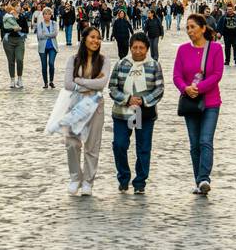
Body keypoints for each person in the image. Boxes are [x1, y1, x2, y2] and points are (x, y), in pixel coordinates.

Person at [173, 13, 224, 195]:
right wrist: (185, 88)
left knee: (205, 140)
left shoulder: (216, 49)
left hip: (210, 102)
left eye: (193, 27)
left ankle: (204, 178)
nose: (189, 31)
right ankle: (198, 181)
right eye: (187, 27)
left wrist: (198, 87)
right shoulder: (182, 50)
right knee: (194, 144)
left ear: (203, 28)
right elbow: (176, 75)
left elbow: (217, 74)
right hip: (190, 103)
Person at [109, 32, 165, 193]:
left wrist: (143, 100)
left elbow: (159, 88)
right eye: (135, 47)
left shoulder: (154, 65)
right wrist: (127, 99)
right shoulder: (121, 64)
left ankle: (140, 181)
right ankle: (123, 177)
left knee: (143, 147)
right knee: (119, 145)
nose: (138, 51)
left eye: (141, 48)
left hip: (143, 113)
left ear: (147, 48)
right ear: (130, 48)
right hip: (123, 112)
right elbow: (112, 87)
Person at [63, 26, 110, 196]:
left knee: (92, 144)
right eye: (92, 37)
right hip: (75, 106)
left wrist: (80, 82)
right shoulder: (73, 60)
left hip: (96, 106)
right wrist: (89, 84)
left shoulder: (104, 60)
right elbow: (68, 84)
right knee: (72, 142)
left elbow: (101, 84)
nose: (96, 41)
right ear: (84, 39)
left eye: (99, 38)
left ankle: (88, 181)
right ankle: (75, 178)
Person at [0, 1, 27, 89]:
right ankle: (12, 79)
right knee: (11, 61)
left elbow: (26, 29)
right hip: (8, 41)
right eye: (17, 6)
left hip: (19, 40)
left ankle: (20, 78)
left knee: (19, 59)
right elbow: (3, 29)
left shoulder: (22, 17)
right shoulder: (6, 17)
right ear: (13, 7)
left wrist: (18, 19)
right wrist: (13, 30)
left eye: (19, 6)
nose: (19, 7)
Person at [35, 6, 59, 89]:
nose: (47, 16)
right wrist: (49, 35)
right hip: (42, 47)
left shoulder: (54, 23)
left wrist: (46, 34)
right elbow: (39, 36)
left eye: (49, 14)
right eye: (45, 14)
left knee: (51, 63)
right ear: (43, 15)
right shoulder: (40, 25)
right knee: (44, 65)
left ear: (51, 15)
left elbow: (55, 34)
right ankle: (45, 82)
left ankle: (51, 81)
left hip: (52, 46)